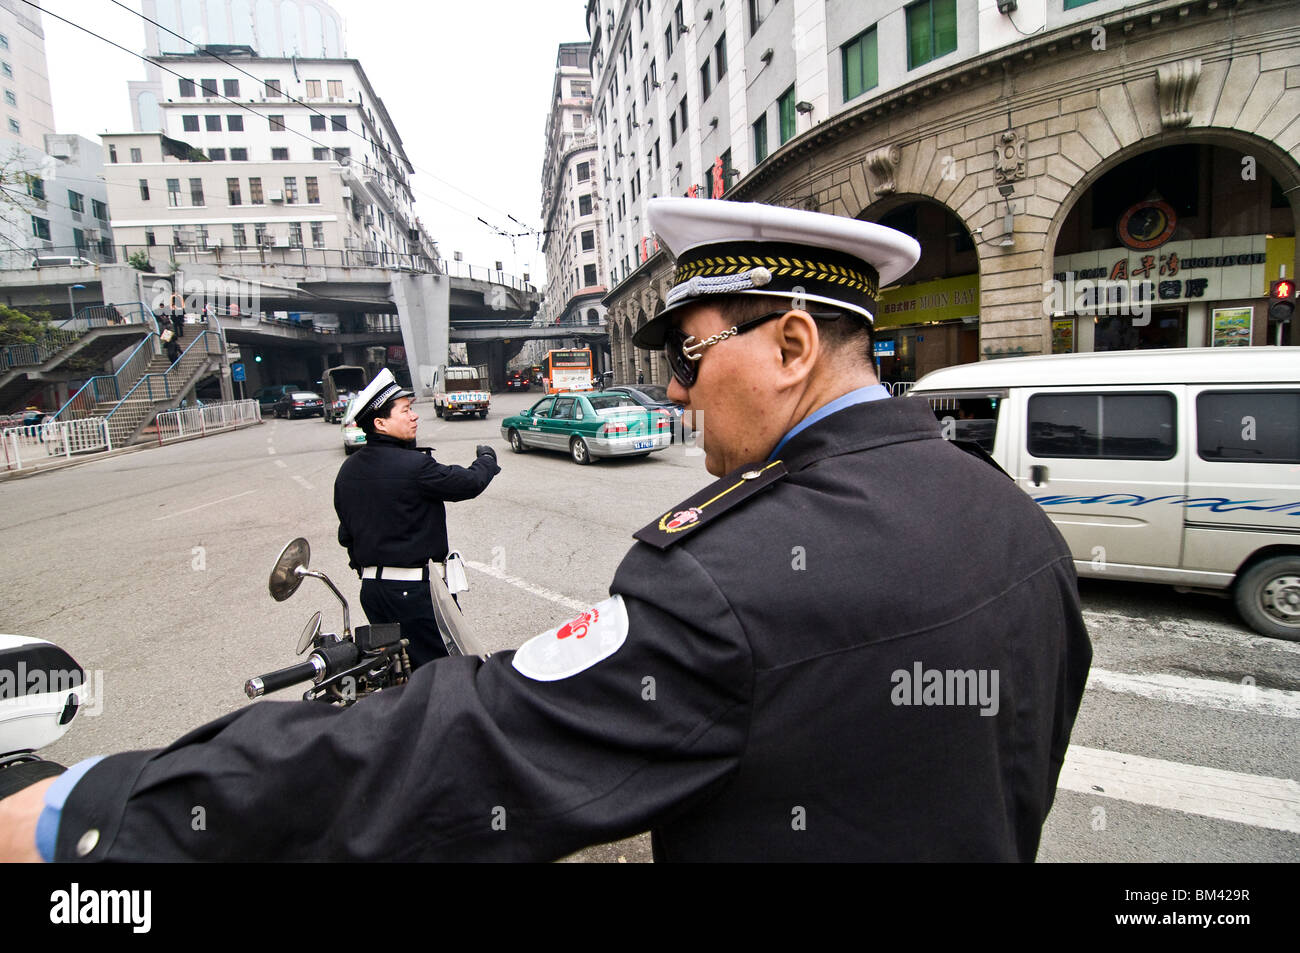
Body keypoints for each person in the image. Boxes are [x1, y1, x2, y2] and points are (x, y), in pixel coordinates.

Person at [0, 199, 1090, 862]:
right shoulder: (1013, 520)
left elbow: (472, 744)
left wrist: (100, 810)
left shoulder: (729, 574)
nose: (675, 390)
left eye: (692, 353)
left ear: (793, 343)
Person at [334, 368, 500, 669]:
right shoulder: (414, 466)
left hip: (372, 592)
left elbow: (346, 535)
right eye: (406, 411)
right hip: (415, 593)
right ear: (380, 422)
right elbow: (467, 483)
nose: (414, 417)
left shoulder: (347, 472)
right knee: (447, 670)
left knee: (398, 672)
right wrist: (486, 460)